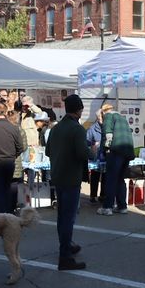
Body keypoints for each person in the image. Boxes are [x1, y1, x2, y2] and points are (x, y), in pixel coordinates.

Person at [45, 94, 89, 271]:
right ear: (79, 109)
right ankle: (65, 256)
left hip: (57, 176)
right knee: (68, 218)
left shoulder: (55, 128)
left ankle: (67, 246)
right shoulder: (77, 129)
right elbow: (82, 154)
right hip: (71, 177)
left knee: (62, 215)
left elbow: (48, 151)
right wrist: (91, 150)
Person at [97, 104, 134, 216]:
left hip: (115, 151)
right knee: (120, 179)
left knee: (111, 179)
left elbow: (108, 135)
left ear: (103, 112)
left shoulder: (108, 117)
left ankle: (107, 207)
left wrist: (104, 151)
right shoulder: (122, 118)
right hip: (127, 151)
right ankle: (122, 206)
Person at [86, 105, 110, 204]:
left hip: (105, 157)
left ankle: (103, 195)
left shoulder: (108, 127)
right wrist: (92, 145)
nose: (101, 119)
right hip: (95, 157)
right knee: (95, 177)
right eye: (100, 117)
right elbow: (86, 142)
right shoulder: (92, 129)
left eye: (102, 117)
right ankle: (93, 195)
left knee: (105, 177)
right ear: (97, 118)